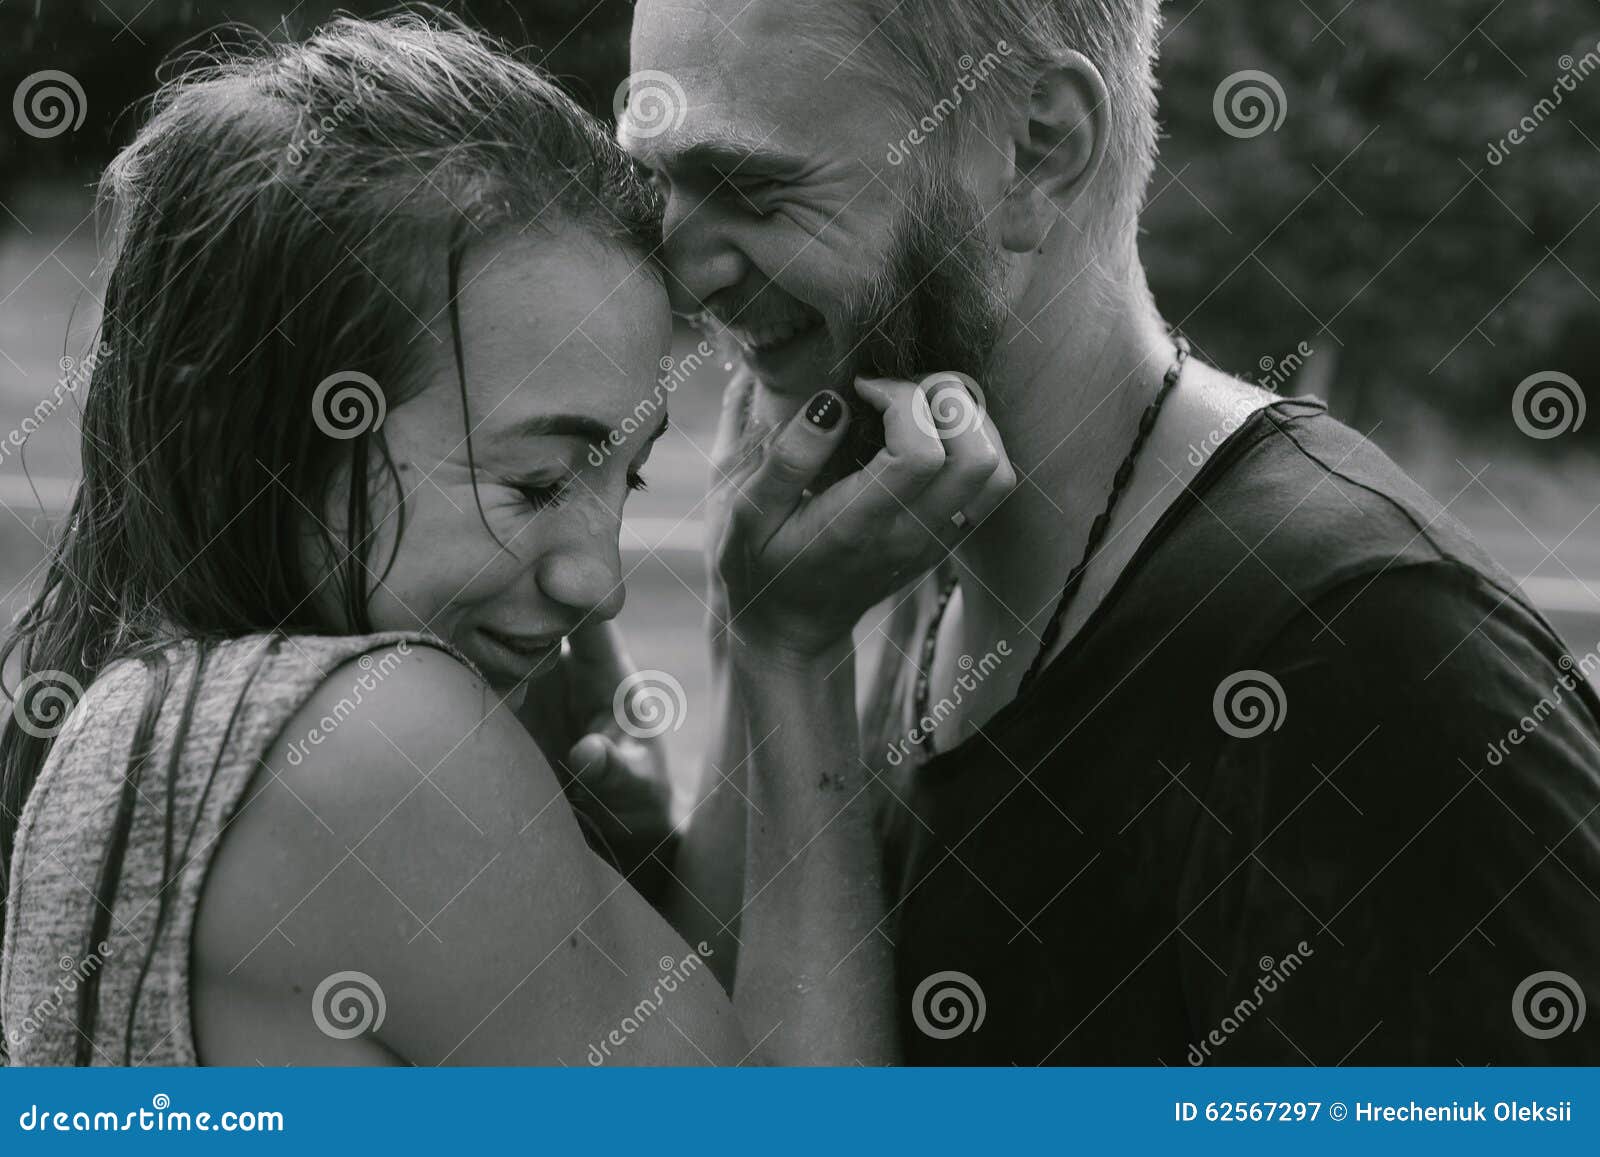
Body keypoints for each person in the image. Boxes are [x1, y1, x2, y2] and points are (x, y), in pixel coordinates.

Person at [0, 15, 1014, 1066]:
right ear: (232, 422)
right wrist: (793, 659)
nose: (600, 581)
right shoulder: (373, 740)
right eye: (534, 481)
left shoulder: (138, 713)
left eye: (628, 478)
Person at [624, 0, 1600, 1063]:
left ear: (1037, 152)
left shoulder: (1361, 650)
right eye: (656, 181)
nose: (682, 271)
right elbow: (717, 1067)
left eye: (755, 189)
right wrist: (761, 641)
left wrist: (791, 655)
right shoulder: (916, 542)